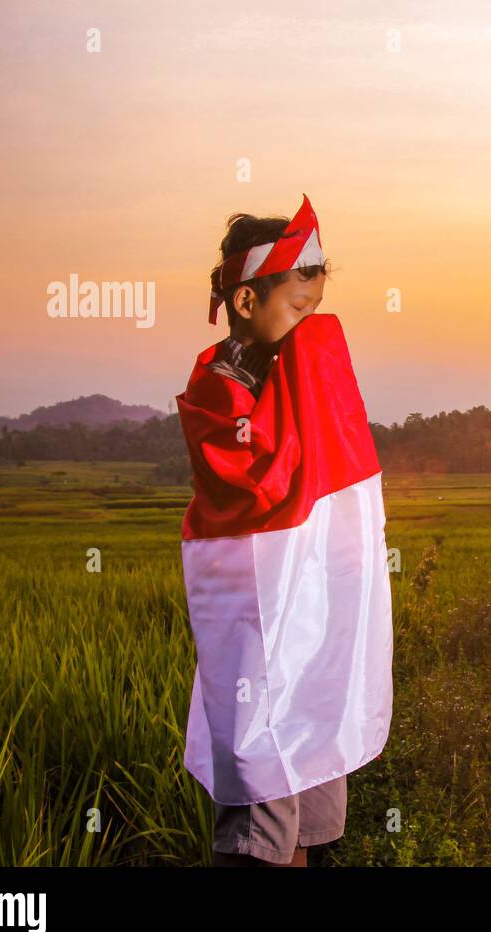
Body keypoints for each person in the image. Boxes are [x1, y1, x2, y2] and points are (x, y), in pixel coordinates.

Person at [175, 194, 393, 867]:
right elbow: (259, 483)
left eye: (316, 312)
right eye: (298, 310)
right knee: (260, 818)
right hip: (259, 639)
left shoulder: (290, 374)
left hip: (313, 626)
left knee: (311, 811)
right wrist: (304, 378)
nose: (309, 329)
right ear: (246, 303)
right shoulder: (220, 384)